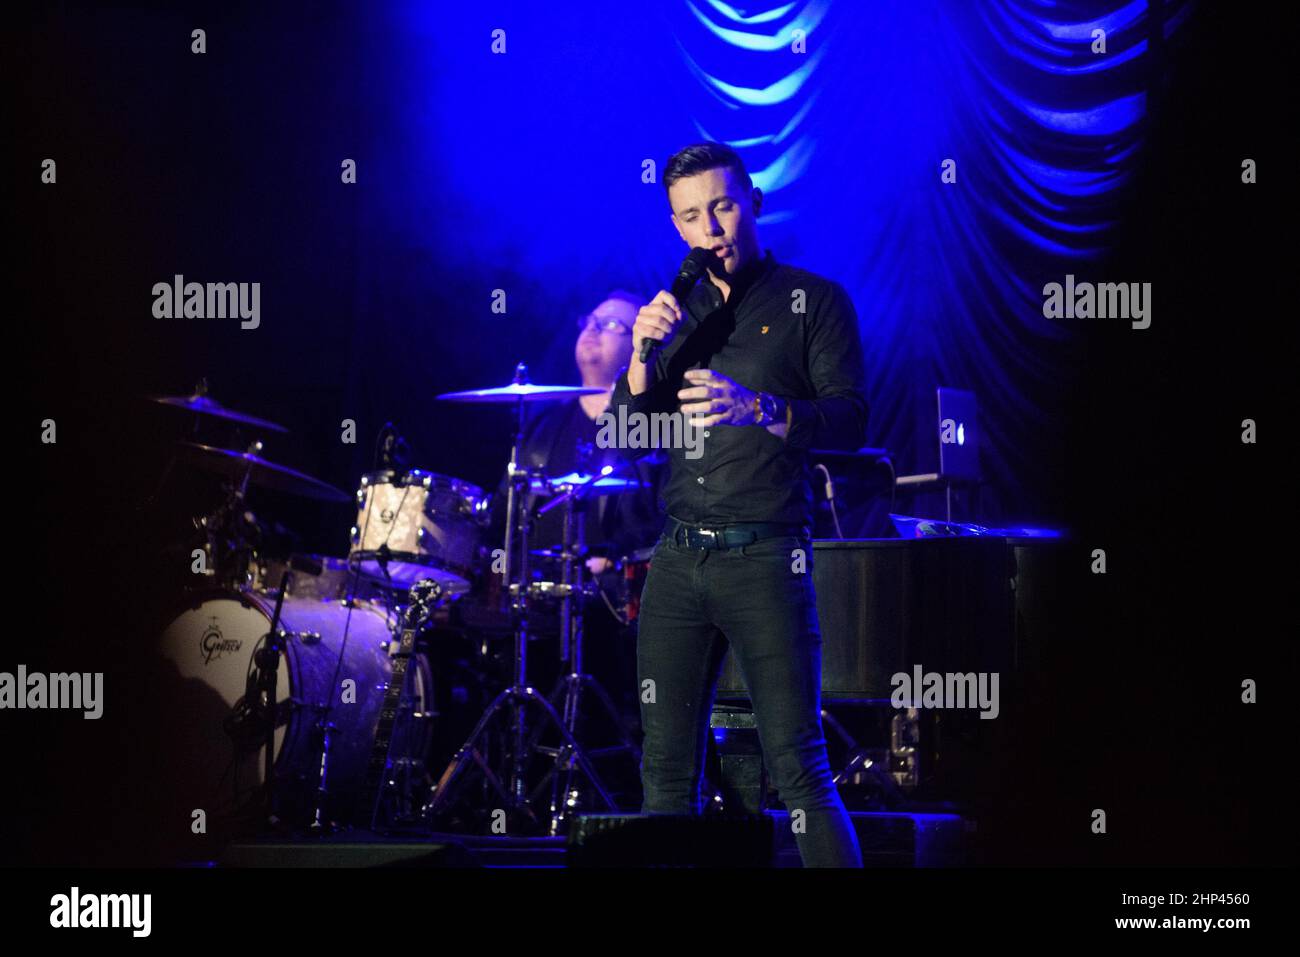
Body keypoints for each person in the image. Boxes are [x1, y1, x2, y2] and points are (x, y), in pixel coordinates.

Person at [609, 142, 869, 867]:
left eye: (722, 206)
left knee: (799, 767)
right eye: (692, 217)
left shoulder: (813, 302)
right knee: (663, 776)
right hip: (678, 557)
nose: (711, 228)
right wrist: (639, 352)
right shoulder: (675, 313)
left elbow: (851, 420)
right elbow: (627, 433)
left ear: (753, 200)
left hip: (765, 554)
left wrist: (760, 407)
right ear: (676, 227)